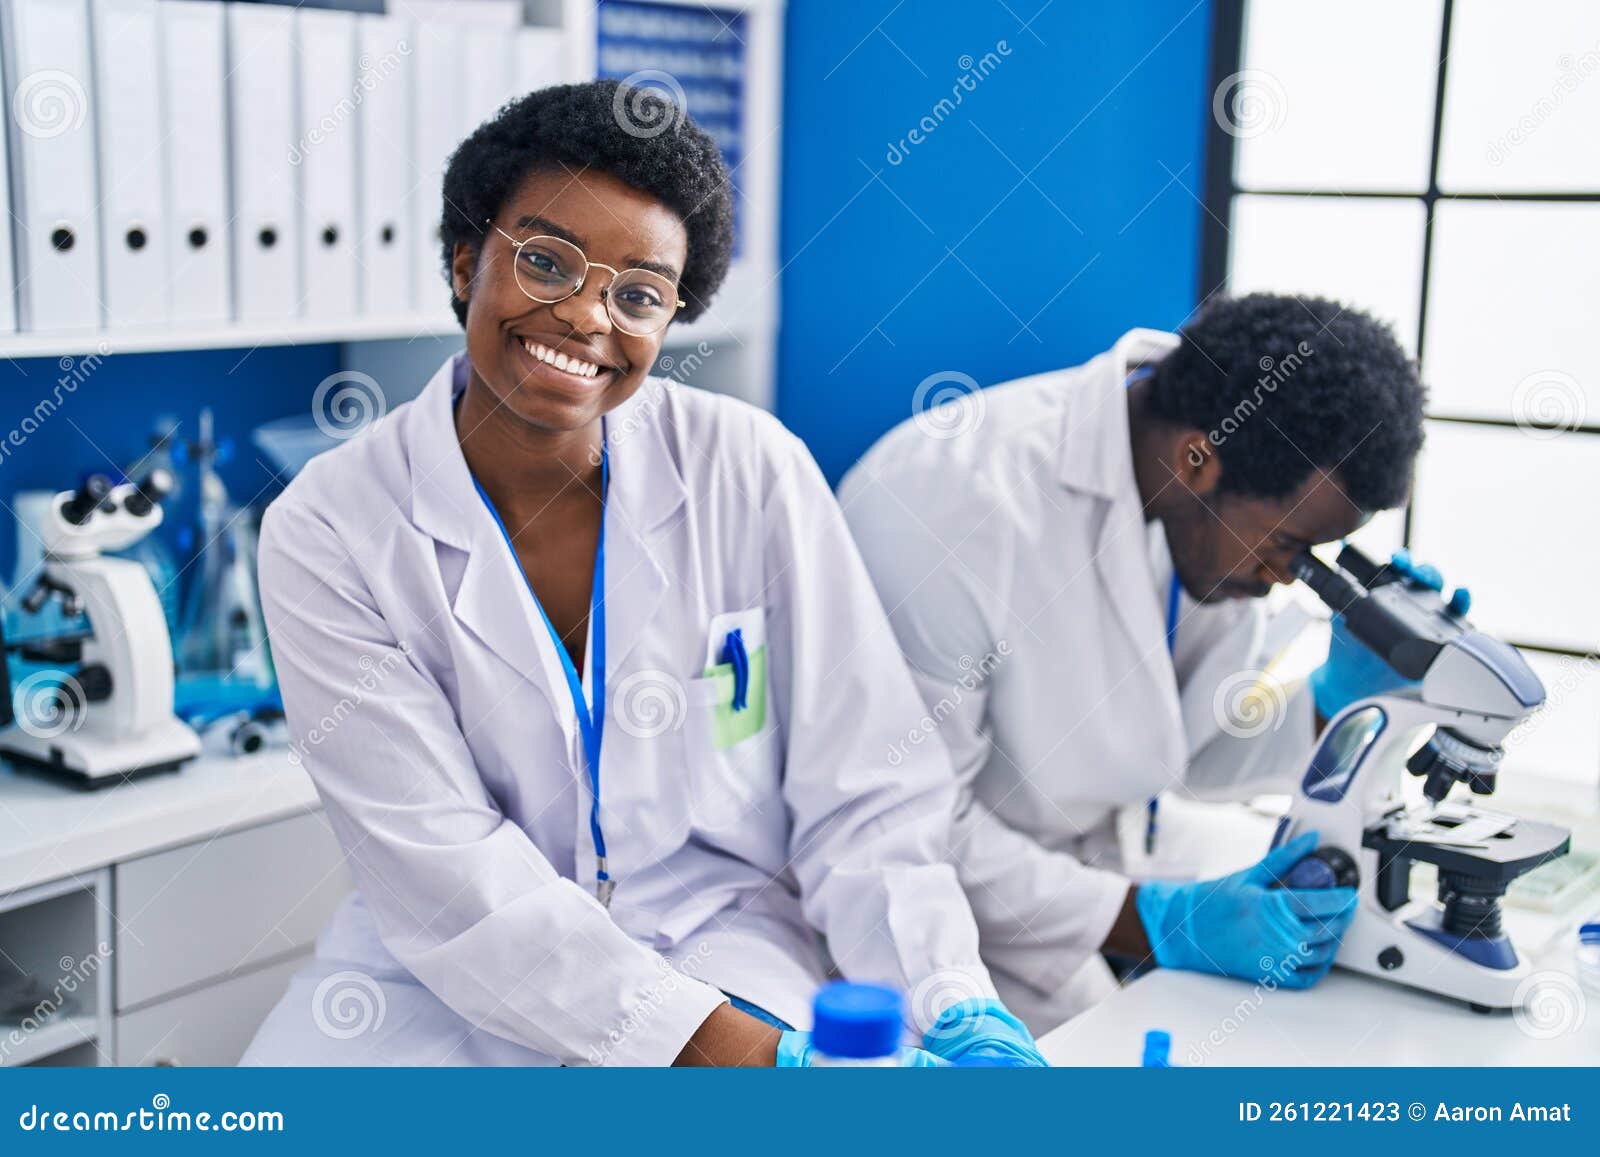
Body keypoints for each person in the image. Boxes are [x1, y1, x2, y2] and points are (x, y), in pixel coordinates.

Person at [242, 81, 1042, 1068]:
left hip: (721, 934)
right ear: (465, 261)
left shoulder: (748, 468)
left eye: (638, 294)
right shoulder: (329, 526)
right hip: (438, 975)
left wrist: (946, 991)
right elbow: (444, 870)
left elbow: (866, 788)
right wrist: (755, 1061)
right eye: (545, 261)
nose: (585, 315)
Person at [838, 295, 1429, 1032]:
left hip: (1083, 891)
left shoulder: (1209, 507)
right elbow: (902, 827)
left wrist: (1341, 701)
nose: (1285, 577)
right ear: (1198, 460)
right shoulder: (949, 502)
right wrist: (1158, 921)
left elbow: (1199, 749)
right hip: (924, 934)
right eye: (1285, 547)